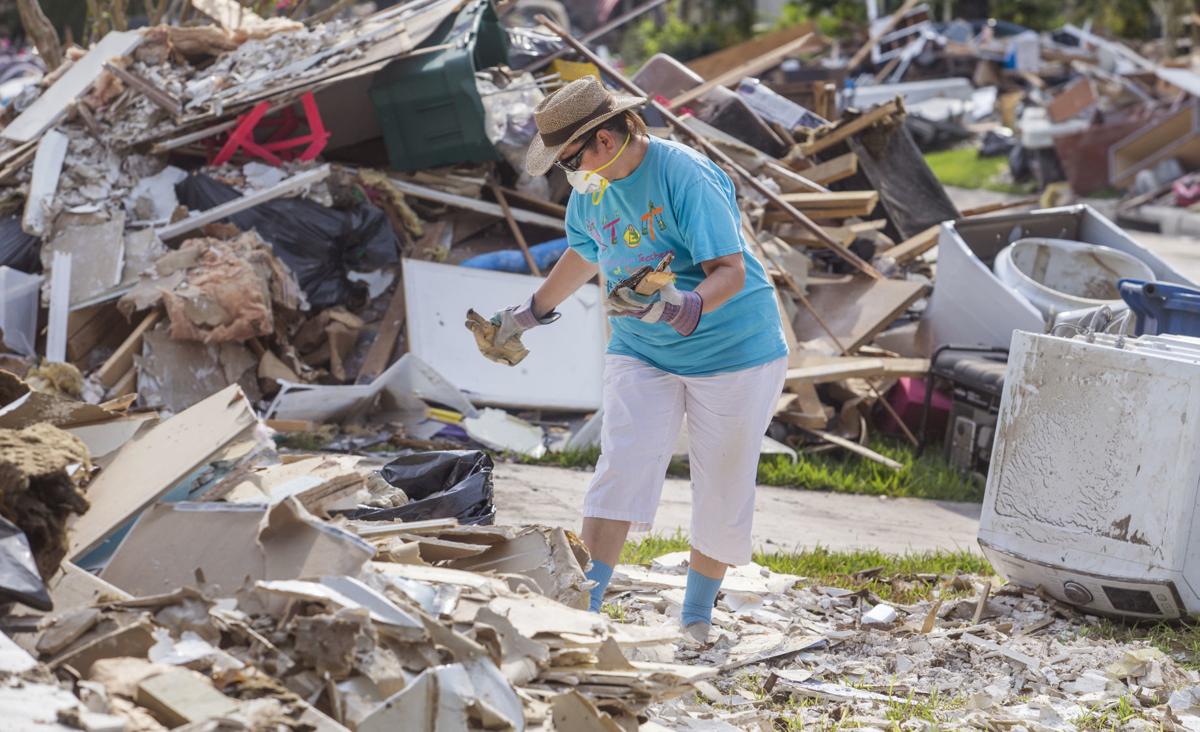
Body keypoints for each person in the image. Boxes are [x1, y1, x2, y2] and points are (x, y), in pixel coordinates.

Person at [473, 76, 788, 642]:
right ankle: (584, 606)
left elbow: (730, 272)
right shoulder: (591, 190)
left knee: (721, 485)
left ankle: (695, 617)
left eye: (570, 159)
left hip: (735, 352)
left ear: (605, 137)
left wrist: (681, 309)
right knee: (622, 464)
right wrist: (525, 315)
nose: (570, 174)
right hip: (641, 348)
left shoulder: (682, 174)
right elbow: (585, 249)